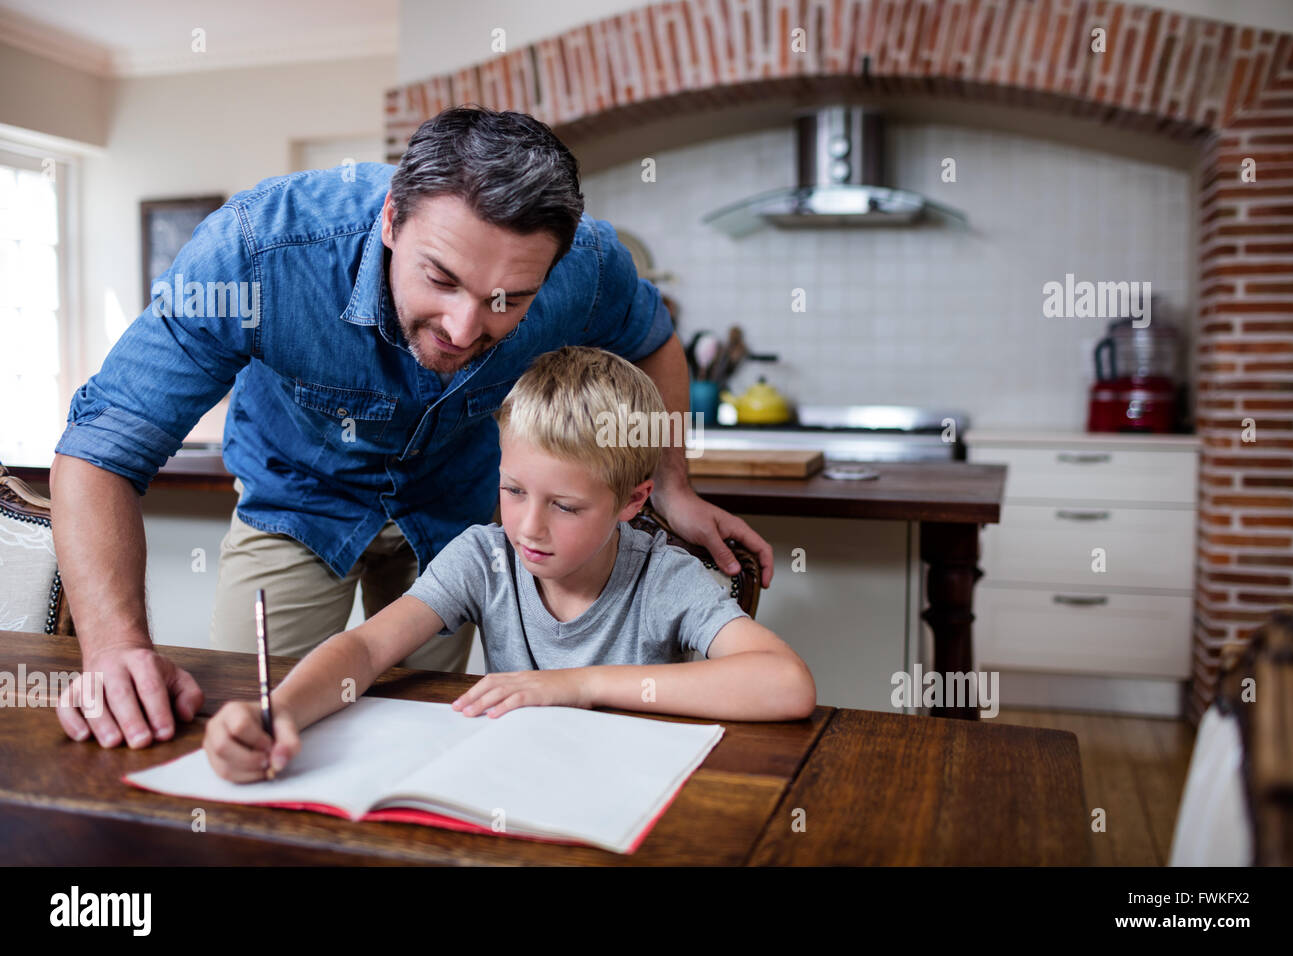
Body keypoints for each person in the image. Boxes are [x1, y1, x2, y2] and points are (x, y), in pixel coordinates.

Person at [51, 106, 775, 751]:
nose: (465, 328)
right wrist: (114, 648)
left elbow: (654, 341)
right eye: (440, 279)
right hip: (297, 498)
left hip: (454, 512)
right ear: (392, 220)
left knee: (431, 732)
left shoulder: (586, 268)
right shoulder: (258, 253)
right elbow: (101, 449)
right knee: (256, 718)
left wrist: (674, 484)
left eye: (506, 300)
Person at [203, 347, 815, 782]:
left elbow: (785, 684)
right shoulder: (484, 558)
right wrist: (277, 711)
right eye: (513, 490)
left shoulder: (663, 579)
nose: (527, 527)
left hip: (630, 797)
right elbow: (364, 651)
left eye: (566, 506)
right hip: (515, 789)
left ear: (633, 501)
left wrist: (577, 685)